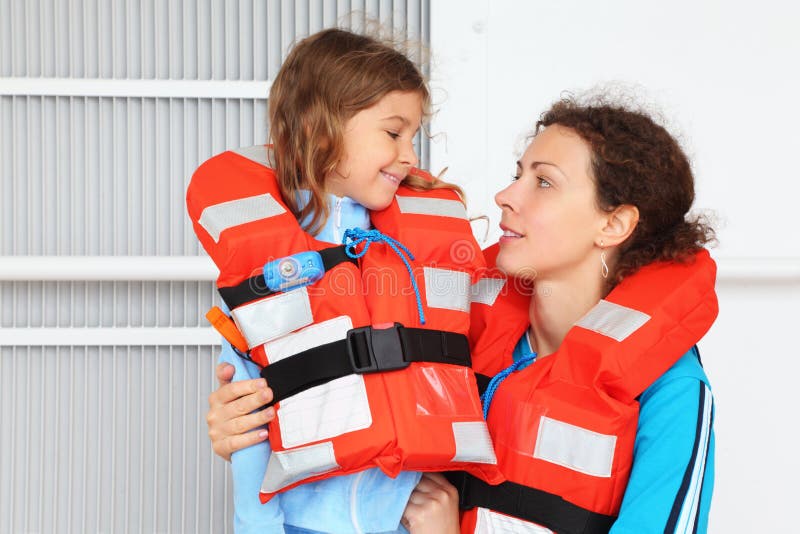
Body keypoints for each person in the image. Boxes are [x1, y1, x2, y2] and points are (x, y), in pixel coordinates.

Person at [206, 95, 718, 534]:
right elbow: (343, 430)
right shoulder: (449, 327)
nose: (505, 197)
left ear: (614, 223)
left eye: (543, 183)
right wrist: (248, 429)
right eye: (517, 174)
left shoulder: (671, 390)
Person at [186, 28, 501, 534]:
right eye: (393, 133)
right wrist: (256, 524)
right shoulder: (267, 265)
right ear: (320, 129)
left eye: (414, 137)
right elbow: (247, 424)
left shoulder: (424, 254)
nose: (411, 156)